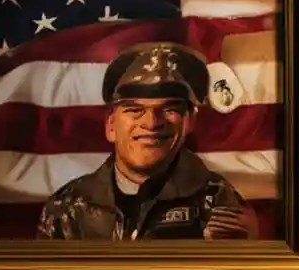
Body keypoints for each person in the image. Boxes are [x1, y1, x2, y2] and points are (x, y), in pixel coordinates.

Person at [36, 41, 258, 240]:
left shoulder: (219, 202)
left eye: (169, 109)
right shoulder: (66, 209)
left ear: (189, 121)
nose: (151, 123)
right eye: (134, 109)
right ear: (111, 125)